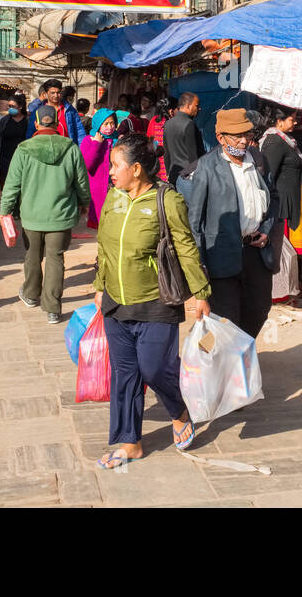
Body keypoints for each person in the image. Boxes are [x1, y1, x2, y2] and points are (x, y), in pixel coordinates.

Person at [93, 135, 211, 469]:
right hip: (116, 304)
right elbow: (103, 244)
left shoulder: (166, 199)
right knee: (125, 374)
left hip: (156, 300)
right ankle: (130, 443)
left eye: (116, 165)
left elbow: (186, 246)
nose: (111, 172)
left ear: (136, 168)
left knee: (155, 368)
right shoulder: (114, 197)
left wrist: (200, 292)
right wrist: (100, 284)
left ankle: (179, 409)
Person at [184, 108, 277, 339]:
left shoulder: (258, 160)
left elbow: (273, 198)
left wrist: (265, 231)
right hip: (221, 257)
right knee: (226, 318)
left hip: (255, 253)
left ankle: (240, 352)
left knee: (259, 309)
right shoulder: (206, 167)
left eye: (247, 134)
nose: (244, 141)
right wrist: (199, 267)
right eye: (237, 136)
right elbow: (194, 222)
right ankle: (226, 365)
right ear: (220, 138)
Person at [0, 104, 91, 324]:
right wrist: (84, 202)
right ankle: (52, 308)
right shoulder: (70, 148)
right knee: (55, 258)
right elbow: (81, 182)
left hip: (31, 215)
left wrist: (5, 210)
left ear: (37, 123)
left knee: (32, 256)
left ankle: (31, 295)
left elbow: (12, 185)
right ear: (58, 124)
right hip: (61, 216)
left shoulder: (24, 149)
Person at [260, 106, 302, 302]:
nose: (295, 122)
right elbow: (267, 175)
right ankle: (278, 294)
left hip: (288, 201)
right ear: (279, 121)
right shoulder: (274, 141)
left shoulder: (285, 141)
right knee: (279, 250)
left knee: (283, 251)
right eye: (292, 119)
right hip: (280, 204)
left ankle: (284, 291)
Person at [81, 107, 119, 228]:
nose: (110, 127)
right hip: (97, 187)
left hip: (116, 185)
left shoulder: (118, 140)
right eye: (106, 123)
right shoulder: (89, 140)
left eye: (112, 123)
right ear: (98, 124)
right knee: (98, 219)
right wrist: (96, 144)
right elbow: (86, 164)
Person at [163, 91, 205, 184]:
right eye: (196, 106)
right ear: (188, 106)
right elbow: (193, 155)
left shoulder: (168, 123)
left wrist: (168, 173)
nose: (199, 108)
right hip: (187, 176)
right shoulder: (189, 124)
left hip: (173, 175)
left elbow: (166, 153)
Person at [0, 93, 28, 183]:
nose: (10, 108)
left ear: (20, 106)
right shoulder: (4, 121)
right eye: (9, 106)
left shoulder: (28, 121)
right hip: (5, 159)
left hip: (22, 158)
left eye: (13, 106)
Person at [147, 98, 172, 180]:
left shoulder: (154, 120)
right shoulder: (171, 121)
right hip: (170, 157)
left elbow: (150, 138)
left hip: (158, 155)